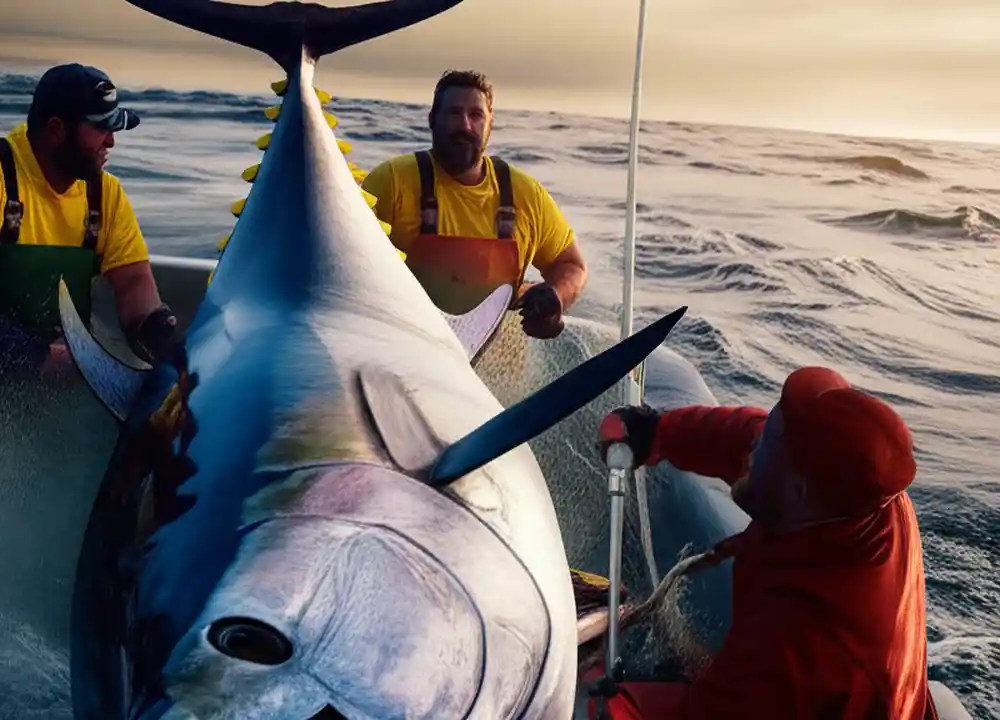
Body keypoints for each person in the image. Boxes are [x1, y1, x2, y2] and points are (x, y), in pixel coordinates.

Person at [590, 366, 937, 719]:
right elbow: (746, 435)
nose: (755, 441)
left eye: (770, 440)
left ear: (798, 489)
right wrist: (657, 433)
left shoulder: (798, 644)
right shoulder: (857, 496)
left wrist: (606, 699)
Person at [0, 62, 178, 380]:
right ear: (56, 130)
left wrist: (153, 330)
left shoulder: (104, 194)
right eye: (101, 129)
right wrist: (20, 352)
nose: (111, 142)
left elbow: (132, 281)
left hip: (40, 396)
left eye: (114, 128)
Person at [361, 69, 588, 337]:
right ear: (433, 120)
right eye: (454, 113)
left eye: (476, 115)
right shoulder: (391, 181)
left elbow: (571, 265)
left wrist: (555, 297)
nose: (465, 126)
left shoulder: (526, 194)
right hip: (409, 353)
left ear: (490, 124)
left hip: (498, 365)